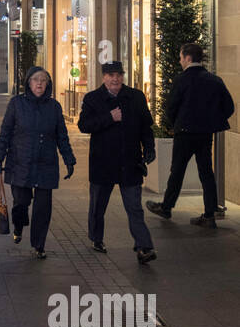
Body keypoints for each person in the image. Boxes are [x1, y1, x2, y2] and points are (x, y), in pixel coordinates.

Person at [146, 42, 235, 230]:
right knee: (206, 173)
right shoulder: (214, 80)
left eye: (180, 57)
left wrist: (174, 123)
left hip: (185, 133)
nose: (179, 61)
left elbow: (171, 107)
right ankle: (209, 214)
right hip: (205, 134)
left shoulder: (182, 80)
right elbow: (229, 107)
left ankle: (167, 207)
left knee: (177, 171)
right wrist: (212, 120)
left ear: (187, 58)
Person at [78, 61, 156, 263]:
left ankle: (144, 246)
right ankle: (96, 238)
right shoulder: (93, 99)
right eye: (111, 75)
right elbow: (84, 125)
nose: (115, 79)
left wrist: (149, 148)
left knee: (134, 207)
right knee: (98, 205)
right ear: (104, 77)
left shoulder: (136, 97)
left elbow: (146, 127)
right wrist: (109, 117)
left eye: (119, 74)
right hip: (103, 162)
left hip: (130, 162)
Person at [0, 66, 75, 258]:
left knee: (43, 207)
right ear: (28, 83)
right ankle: (19, 226)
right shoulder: (16, 104)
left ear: (48, 84)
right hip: (21, 161)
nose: (39, 83)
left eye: (43, 80)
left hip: (46, 163)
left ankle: (39, 244)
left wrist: (69, 159)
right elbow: (5, 131)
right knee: (21, 202)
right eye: (36, 80)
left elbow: (62, 136)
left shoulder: (54, 107)